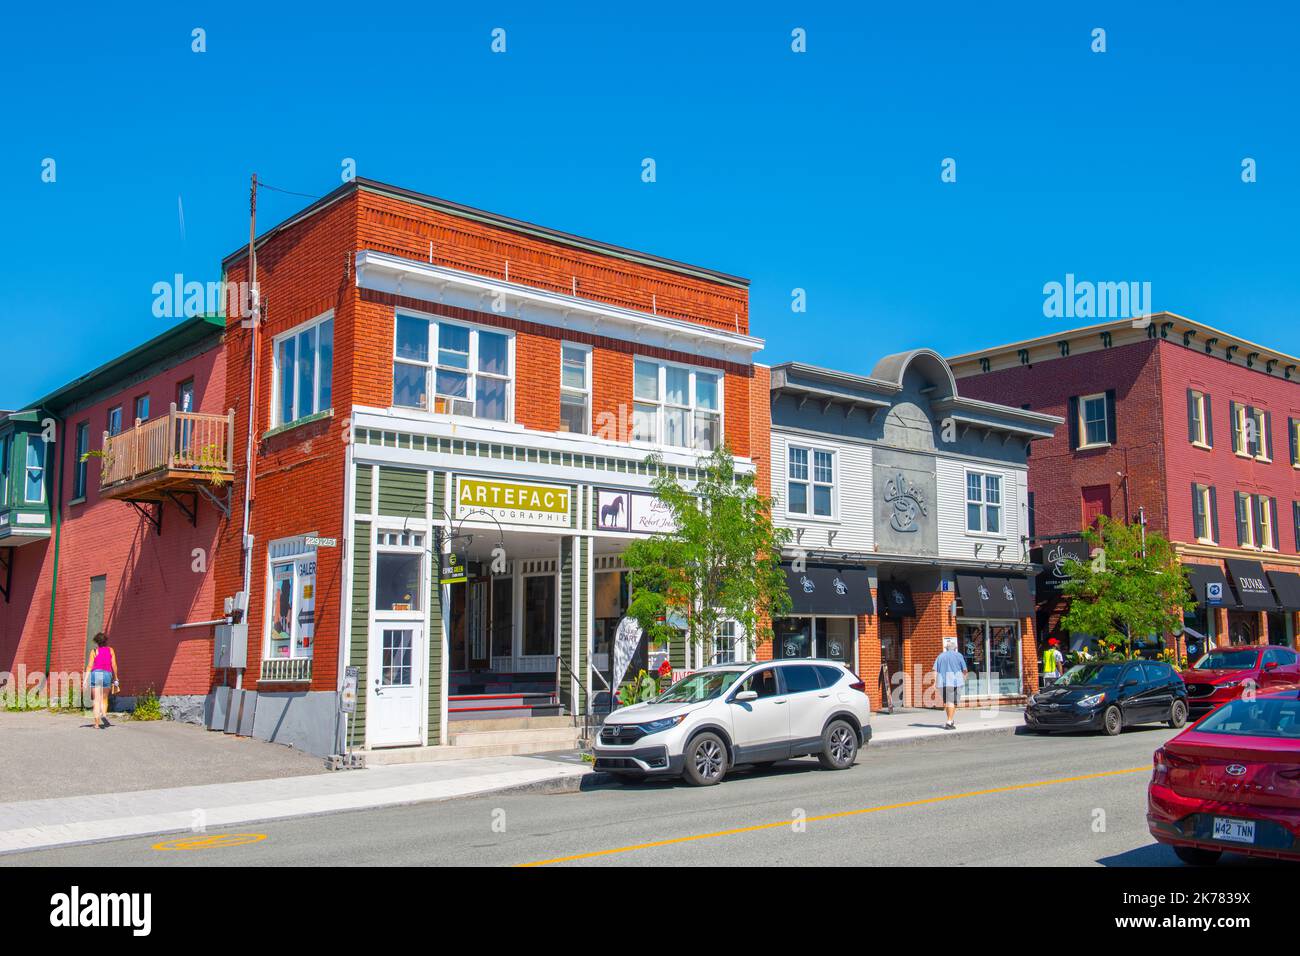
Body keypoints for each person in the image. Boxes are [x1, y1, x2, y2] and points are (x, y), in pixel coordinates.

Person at [82, 632, 119, 730]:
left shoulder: (94, 651)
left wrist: (85, 680)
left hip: (96, 674)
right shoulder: (110, 650)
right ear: (105, 641)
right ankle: (104, 713)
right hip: (107, 674)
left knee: (96, 700)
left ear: (96, 642)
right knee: (104, 698)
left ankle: (97, 724)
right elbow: (114, 665)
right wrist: (116, 678)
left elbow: (89, 666)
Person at [933, 637, 968, 730]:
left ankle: (950, 720)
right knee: (952, 702)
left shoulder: (940, 656)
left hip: (942, 682)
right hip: (955, 682)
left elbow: (935, 671)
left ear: (946, 648)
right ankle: (949, 721)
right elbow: (964, 670)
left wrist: (935, 682)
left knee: (948, 702)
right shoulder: (958, 655)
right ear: (955, 648)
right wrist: (964, 679)